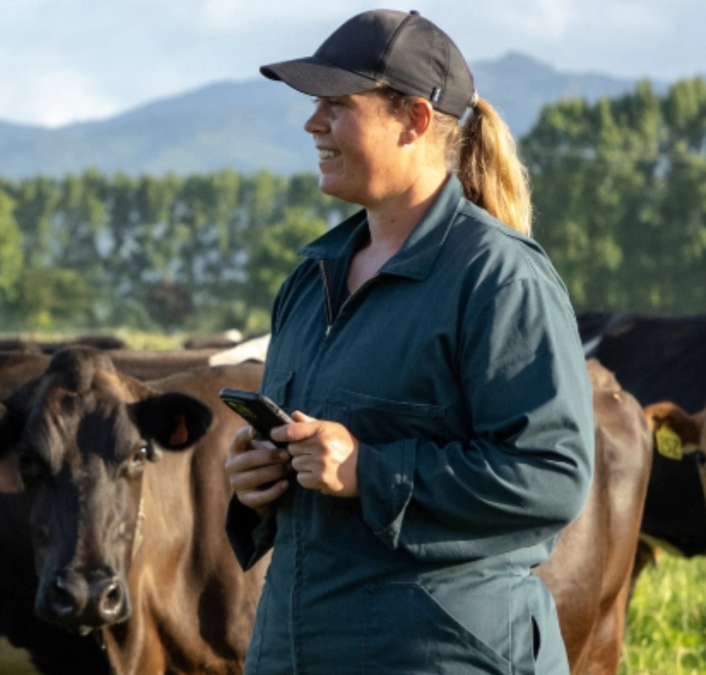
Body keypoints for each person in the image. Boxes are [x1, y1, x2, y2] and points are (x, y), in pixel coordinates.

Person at [223, 9, 594, 675]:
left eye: (337, 104)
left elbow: (553, 475)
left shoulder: (499, 278)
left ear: (415, 120)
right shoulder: (310, 280)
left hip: (441, 656)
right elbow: (315, 474)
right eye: (315, 104)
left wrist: (369, 468)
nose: (313, 123)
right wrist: (260, 480)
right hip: (296, 649)